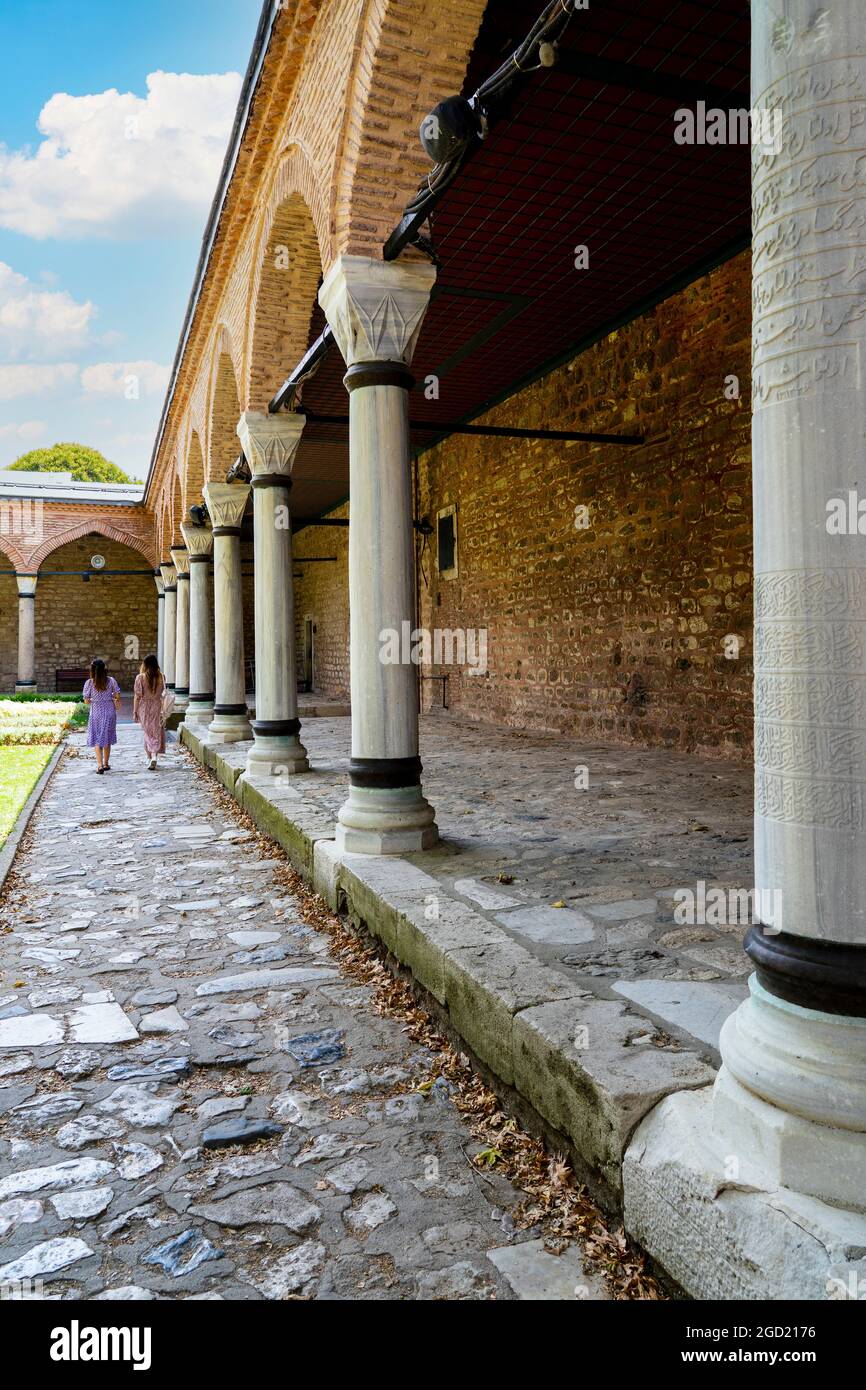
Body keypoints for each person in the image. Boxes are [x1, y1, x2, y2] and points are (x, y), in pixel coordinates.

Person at [82, 658, 121, 773]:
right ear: (104, 669)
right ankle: (106, 764)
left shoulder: (89, 683)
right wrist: (112, 697)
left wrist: (93, 699)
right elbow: (117, 695)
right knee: (107, 738)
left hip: (96, 713)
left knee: (97, 738)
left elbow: (86, 701)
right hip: (109, 711)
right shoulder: (111, 680)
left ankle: (99, 765)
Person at [133, 653, 166, 771]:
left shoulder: (140, 678)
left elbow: (137, 696)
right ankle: (152, 756)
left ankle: (152, 757)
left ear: (145, 664)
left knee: (147, 731)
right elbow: (163, 692)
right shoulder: (162, 677)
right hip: (157, 705)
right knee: (155, 731)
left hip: (144, 706)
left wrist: (135, 711)